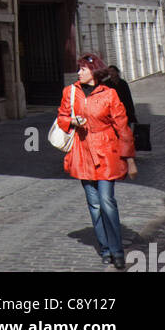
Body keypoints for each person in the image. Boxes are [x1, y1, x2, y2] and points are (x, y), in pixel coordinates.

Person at [55, 53, 137, 270]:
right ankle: (105, 249)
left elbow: (122, 126)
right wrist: (72, 120)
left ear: (94, 72)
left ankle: (117, 250)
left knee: (107, 202)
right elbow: (61, 117)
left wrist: (129, 159)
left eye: (82, 69)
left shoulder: (109, 94)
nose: (78, 72)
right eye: (79, 69)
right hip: (82, 153)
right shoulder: (70, 92)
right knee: (94, 205)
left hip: (106, 153)